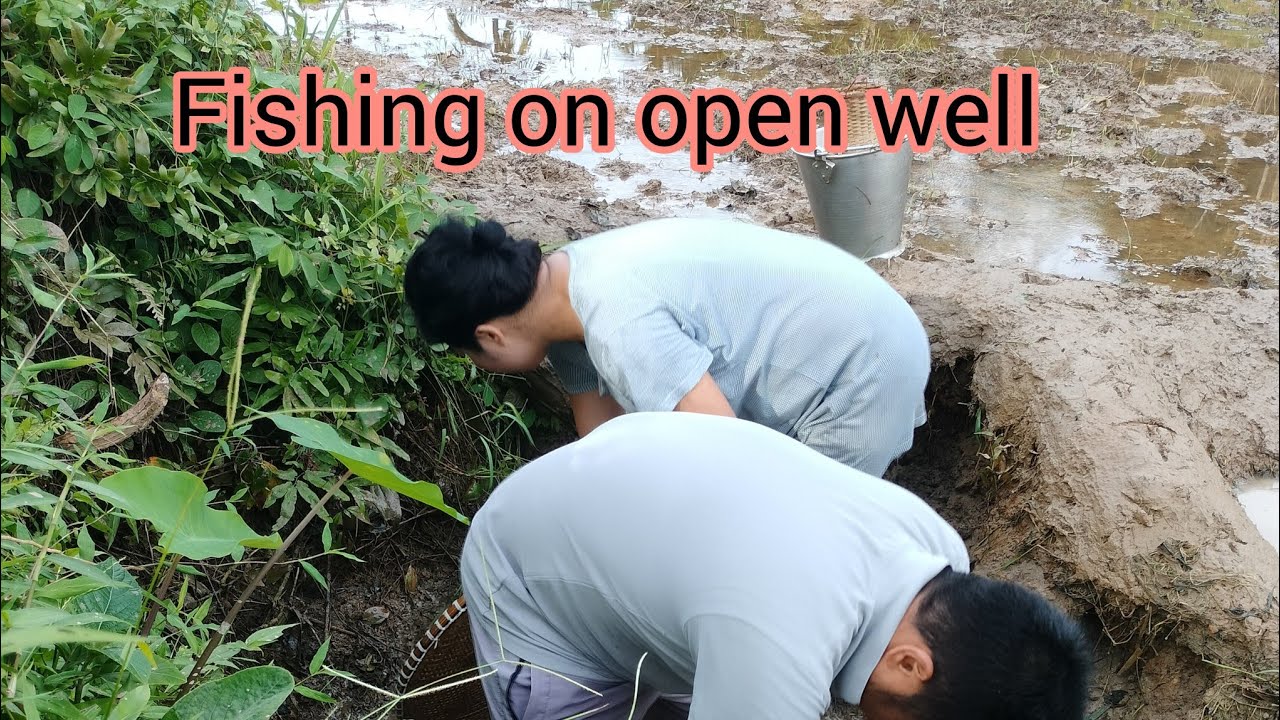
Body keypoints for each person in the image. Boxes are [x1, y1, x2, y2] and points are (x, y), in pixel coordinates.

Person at [459, 412, 1094, 720]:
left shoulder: (937, 551)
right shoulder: (781, 640)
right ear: (910, 665)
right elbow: (770, 654)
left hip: (641, 495)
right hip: (529, 569)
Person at [403, 215, 931, 478]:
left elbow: (729, 457)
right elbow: (604, 455)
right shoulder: (562, 290)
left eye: (469, 354)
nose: (479, 364)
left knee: (801, 535)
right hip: (845, 326)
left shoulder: (619, 321)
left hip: (860, 367)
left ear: (489, 336)